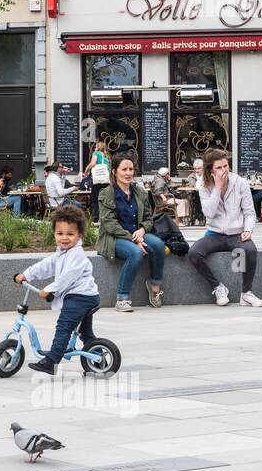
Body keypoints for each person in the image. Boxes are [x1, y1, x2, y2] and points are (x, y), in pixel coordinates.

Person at [13, 204, 101, 376]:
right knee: (85, 331)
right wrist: (26, 275)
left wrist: (49, 290)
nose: (64, 238)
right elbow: (45, 266)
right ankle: (99, 357)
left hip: (81, 297)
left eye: (70, 234)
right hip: (82, 296)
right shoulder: (61, 253)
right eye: (60, 233)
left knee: (64, 326)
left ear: (79, 235)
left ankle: (52, 361)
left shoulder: (76, 254)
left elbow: (68, 276)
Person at [188, 149, 262, 308]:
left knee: (250, 250)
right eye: (219, 167)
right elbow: (208, 213)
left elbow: (250, 212)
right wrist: (217, 188)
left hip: (236, 234)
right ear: (210, 170)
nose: (224, 170)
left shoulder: (240, 183)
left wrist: (248, 230)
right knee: (194, 253)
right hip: (214, 234)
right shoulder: (204, 186)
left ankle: (246, 293)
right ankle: (218, 287)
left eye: (226, 166)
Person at [98, 154, 167, 312]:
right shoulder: (106, 193)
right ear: (114, 171)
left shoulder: (140, 193)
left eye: (131, 169)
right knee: (135, 253)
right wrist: (134, 239)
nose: (128, 173)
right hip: (115, 238)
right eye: (124, 169)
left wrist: (142, 229)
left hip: (138, 233)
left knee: (157, 244)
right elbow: (109, 224)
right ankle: (122, 298)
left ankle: (154, 285)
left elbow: (150, 218)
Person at [83, 140, 112, 223]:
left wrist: (86, 169)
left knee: (95, 199)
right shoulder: (107, 157)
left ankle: (95, 219)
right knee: (105, 200)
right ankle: (104, 218)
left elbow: (92, 163)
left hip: (98, 181)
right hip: (106, 181)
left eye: (96, 146)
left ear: (99, 147)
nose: (95, 147)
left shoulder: (96, 154)